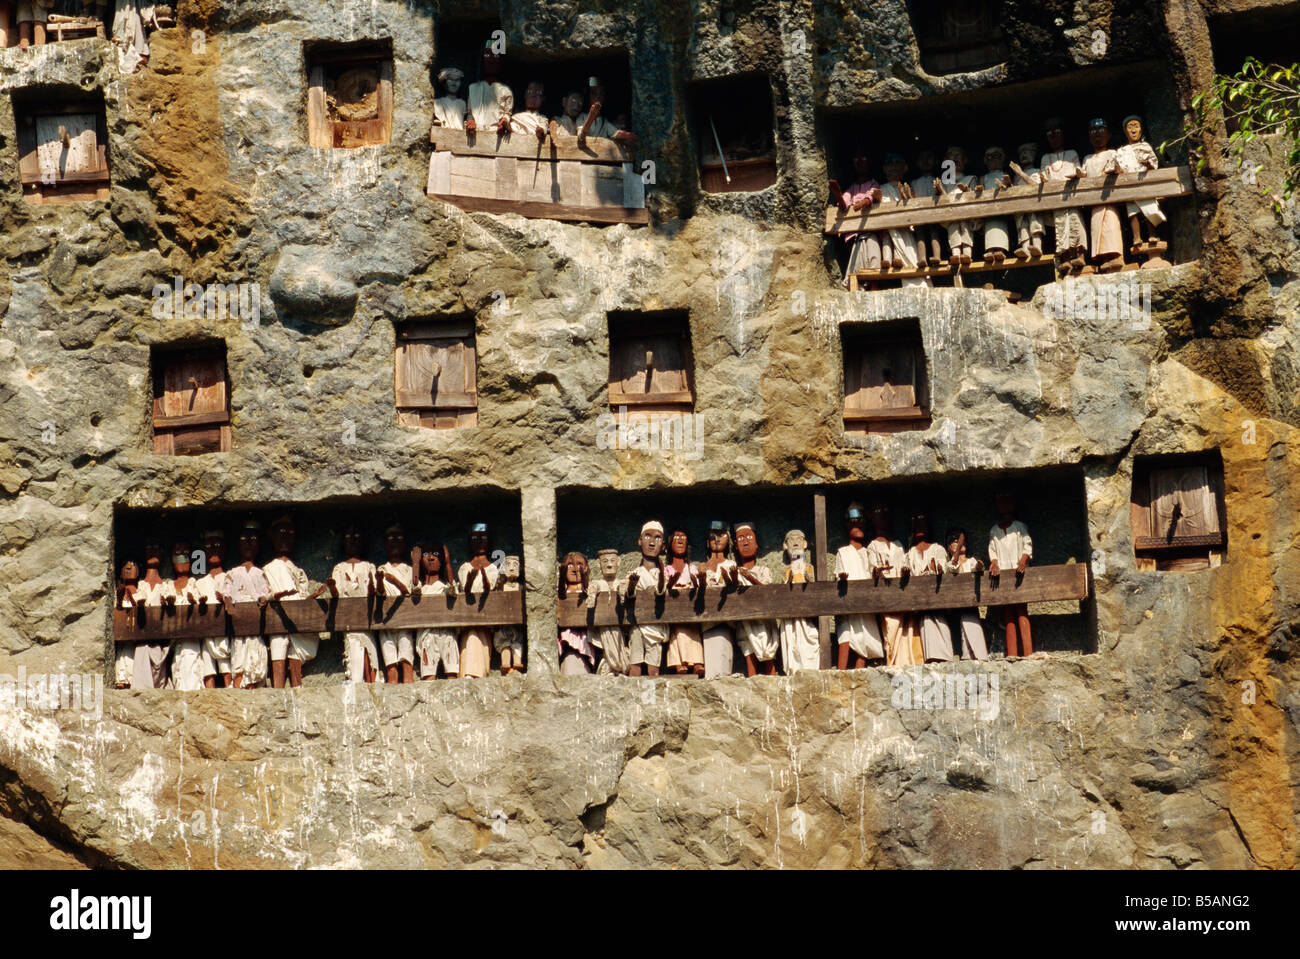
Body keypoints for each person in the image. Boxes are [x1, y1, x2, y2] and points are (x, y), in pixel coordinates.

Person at [310, 524, 380, 683]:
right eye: (348, 538)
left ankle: (372, 682)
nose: (353, 541)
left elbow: (374, 590)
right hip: (349, 619)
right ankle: (356, 683)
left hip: (366, 617)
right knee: (354, 652)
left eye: (357, 537)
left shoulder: (369, 566)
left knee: (371, 654)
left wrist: (372, 588)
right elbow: (337, 594)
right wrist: (333, 588)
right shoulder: (340, 568)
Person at [264, 515, 317, 689]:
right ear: (271, 536)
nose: (285, 537)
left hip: (296, 617)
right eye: (281, 533)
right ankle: (277, 688)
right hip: (276, 616)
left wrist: (312, 597)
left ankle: (296, 686)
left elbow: (302, 593)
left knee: (296, 649)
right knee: (278, 646)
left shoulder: (298, 570)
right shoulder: (269, 569)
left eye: (289, 533)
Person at [834, 502, 885, 669]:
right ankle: (840, 674)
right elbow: (839, 573)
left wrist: (877, 573)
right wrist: (842, 578)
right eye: (853, 522)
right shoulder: (843, 551)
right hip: (848, 599)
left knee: (864, 637)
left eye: (861, 522)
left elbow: (872, 571)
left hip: (865, 602)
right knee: (846, 636)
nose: (857, 526)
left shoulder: (868, 551)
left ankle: (859, 671)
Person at [220, 520, 271, 689]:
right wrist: (228, 603)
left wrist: (264, 598)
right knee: (239, 660)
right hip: (238, 627)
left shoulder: (261, 573)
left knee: (255, 660)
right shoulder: (233, 573)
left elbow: (266, 591)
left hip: (255, 628)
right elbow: (225, 592)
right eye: (244, 539)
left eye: (253, 539)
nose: (248, 543)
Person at [865, 502, 913, 666]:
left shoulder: (898, 544)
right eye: (878, 511)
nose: (882, 516)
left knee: (906, 634)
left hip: (902, 594)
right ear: (872, 517)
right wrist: (877, 571)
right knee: (890, 632)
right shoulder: (872, 546)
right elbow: (871, 569)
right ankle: (891, 664)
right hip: (886, 595)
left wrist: (906, 572)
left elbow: (906, 563)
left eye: (885, 511)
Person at [620, 521, 669, 677]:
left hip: (656, 628)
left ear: (663, 545)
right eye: (648, 536)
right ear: (640, 541)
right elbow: (628, 594)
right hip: (637, 625)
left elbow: (662, 591)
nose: (652, 542)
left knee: (653, 668)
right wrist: (631, 587)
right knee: (635, 664)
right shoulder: (634, 573)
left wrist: (662, 583)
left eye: (658, 538)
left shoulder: (665, 574)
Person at [988, 490, 1033, 656]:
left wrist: (1023, 560)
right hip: (1003, 576)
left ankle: (1028, 653)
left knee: (1021, 611)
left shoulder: (1019, 527)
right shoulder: (994, 530)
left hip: (1018, 574)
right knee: (1007, 614)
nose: (1003, 504)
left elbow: (1027, 545)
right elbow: (992, 550)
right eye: (999, 501)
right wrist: (994, 563)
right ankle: (1012, 654)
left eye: (1006, 500)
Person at [1040, 117, 1087, 276]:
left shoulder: (1072, 153)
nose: (1053, 135)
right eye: (1049, 132)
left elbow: (1079, 169)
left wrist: (1078, 174)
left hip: (1071, 193)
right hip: (1055, 197)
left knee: (1075, 221)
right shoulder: (1045, 158)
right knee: (1061, 225)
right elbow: (1043, 175)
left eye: (1057, 131)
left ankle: (1079, 255)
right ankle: (1065, 258)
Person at [730, 522, 777, 676]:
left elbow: (766, 590)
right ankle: (752, 678)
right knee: (748, 646)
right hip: (745, 621)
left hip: (764, 620)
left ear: (756, 543)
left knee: (767, 647)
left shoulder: (763, 570)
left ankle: (772, 676)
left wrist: (750, 577)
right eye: (741, 538)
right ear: (736, 545)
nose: (746, 541)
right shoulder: (735, 571)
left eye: (749, 537)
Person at [904, 512, 953, 663]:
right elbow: (908, 571)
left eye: (923, 522)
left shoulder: (937, 549)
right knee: (926, 628)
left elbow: (942, 568)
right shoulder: (910, 553)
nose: (920, 527)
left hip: (936, 599)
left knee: (940, 627)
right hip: (920, 602)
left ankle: (944, 659)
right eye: (916, 523)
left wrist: (935, 569)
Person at [1081, 118, 1126, 272]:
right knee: (1097, 228)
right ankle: (1104, 259)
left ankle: (1116, 256)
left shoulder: (1113, 153)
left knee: (1111, 226)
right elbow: (1084, 175)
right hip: (1094, 201)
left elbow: (1121, 169)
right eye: (1093, 132)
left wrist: (1115, 170)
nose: (1097, 135)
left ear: (1108, 134)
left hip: (1109, 197)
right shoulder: (1087, 159)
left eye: (1101, 131)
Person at [375, 524, 416, 684]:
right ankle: (392, 685)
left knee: (406, 657)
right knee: (390, 662)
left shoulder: (409, 569)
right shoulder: (382, 568)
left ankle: (408, 683)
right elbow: (379, 593)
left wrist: (396, 581)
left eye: (399, 539)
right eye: (390, 539)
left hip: (404, 620)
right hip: (386, 621)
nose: (394, 543)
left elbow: (410, 592)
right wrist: (379, 581)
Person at [457, 522, 499, 677]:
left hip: (485, 616)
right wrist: (470, 579)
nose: (479, 541)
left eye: (483, 537)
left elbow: (490, 588)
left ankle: (478, 674)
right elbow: (466, 589)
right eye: (475, 538)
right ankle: (469, 675)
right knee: (470, 638)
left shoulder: (493, 568)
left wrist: (484, 577)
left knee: (480, 641)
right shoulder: (465, 567)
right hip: (469, 616)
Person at [411, 543, 459, 680]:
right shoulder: (421, 588)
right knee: (428, 670)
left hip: (446, 631)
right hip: (427, 634)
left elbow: (452, 588)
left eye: (436, 555)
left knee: (451, 669)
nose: (431, 558)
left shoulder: (444, 587)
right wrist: (415, 563)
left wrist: (448, 562)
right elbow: (414, 587)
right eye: (426, 555)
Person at [192, 529, 233, 688]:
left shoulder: (230, 576)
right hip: (206, 631)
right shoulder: (200, 582)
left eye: (217, 545)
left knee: (226, 663)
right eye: (209, 546)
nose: (213, 550)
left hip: (226, 631)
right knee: (207, 662)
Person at [778, 530, 821, 673]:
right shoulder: (785, 570)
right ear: (785, 545)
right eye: (791, 539)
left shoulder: (810, 568)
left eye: (799, 539)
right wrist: (788, 581)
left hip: (806, 616)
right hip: (790, 619)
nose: (795, 542)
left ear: (805, 544)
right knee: (792, 646)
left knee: (809, 645)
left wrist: (807, 579)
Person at [664, 526, 704, 676]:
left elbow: (698, 584)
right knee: (676, 632)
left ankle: (697, 662)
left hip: (690, 606)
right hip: (674, 608)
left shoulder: (691, 568)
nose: (680, 539)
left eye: (683, 537)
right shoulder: (666, 569)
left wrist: (694, 582)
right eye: (676, 537)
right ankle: (679, 663)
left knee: (693, 632)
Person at [699, 520, 738, 678]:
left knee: (722, 661)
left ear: (728, 539)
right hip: (707, 622)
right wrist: (701, 578)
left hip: (724, 620)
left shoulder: (730, 564)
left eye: (721, 535)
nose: (717, 538)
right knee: (710, 666)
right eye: (713, 535)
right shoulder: (702, 566)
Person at [944, 527, 989, 661]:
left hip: (971, 599)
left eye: (962, 541)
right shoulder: (949, 563)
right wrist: (957, 551)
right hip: (957, 601)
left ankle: (977, 655)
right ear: (948, 547)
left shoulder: (971, 561)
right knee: (962, 627)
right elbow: (953, 568)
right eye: (955, 541)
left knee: (972, 624)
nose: (959, 543)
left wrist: (979, 568)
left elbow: (977, 568)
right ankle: (966, 654)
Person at [166, 539, 204, 691]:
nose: (181, 557)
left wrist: (195, 602)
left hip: (191, 637)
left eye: (185, 554)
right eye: (177, 554)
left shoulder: (195, 583)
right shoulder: (167, 584)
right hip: (173, 639)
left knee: (191, 665)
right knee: (176, 669)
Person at [589, 549, 628, 675]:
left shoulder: (621, 583)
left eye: (612, 561)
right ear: (598, 564)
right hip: (604, 634)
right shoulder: (598, 583)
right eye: (605, 561)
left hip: (620, 634)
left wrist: (623, 591)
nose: (609, 565)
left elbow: (625, 589)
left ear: (619, 563)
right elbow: (594, 587)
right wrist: (592, 594)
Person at [558, 552, 597, 674]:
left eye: (580, 564)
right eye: (569, 565)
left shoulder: (591, 590)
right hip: (567, 645)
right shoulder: (559, 592)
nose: (575, 568)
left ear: (586, 568)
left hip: (585, 640)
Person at [466, 43, 511, 134]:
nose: (491, 60)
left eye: (495, 55)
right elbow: (470, 114)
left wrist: (505, 121)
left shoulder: (506, 91)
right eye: (487, 55)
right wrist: (470, 121)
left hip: (496, 136)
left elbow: (507, 114)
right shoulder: (472, 88)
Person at [494, 555, 525, 675]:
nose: (512, 568)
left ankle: (517, 662)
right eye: (508, 565)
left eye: (515, 565)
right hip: (504, 620)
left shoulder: (520, 586)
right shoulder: (501, 587)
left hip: (517, 620)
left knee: (517, 641)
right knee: (504, 642)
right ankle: (505, 662)